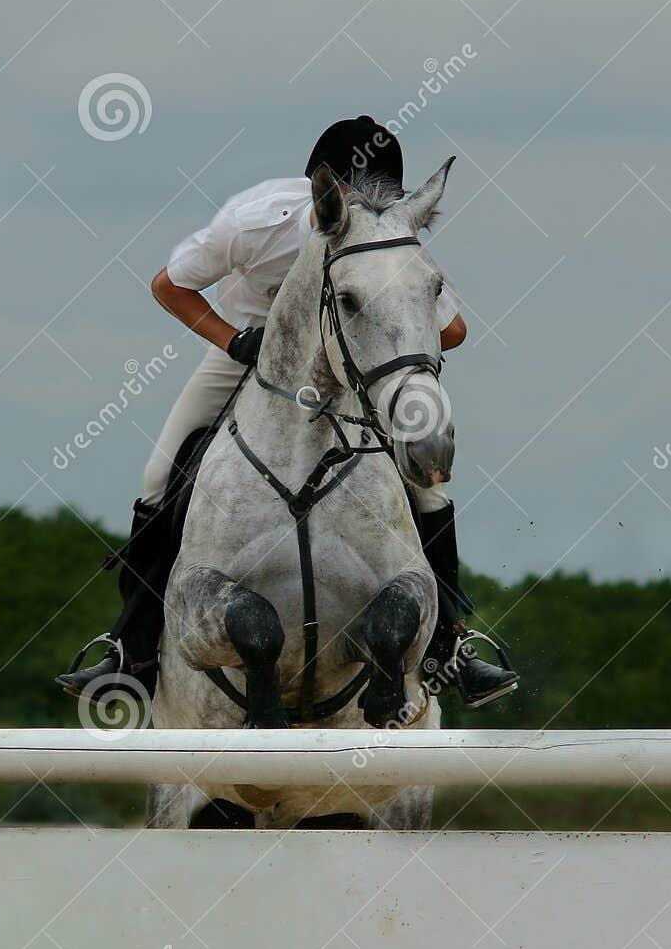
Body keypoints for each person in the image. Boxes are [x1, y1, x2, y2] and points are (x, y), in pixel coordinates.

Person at [57, 115, 517, 710]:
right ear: (324, 192)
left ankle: (451, 644)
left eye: (385, 203)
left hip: (345, 361)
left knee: (429, 485)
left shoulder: (386, 243)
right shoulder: (255, 223)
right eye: (360, 201)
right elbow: (169, 286)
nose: (372, 216)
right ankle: (132, 649)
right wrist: (233, 340)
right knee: (158, 474)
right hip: (246, 347)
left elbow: (451, 330)